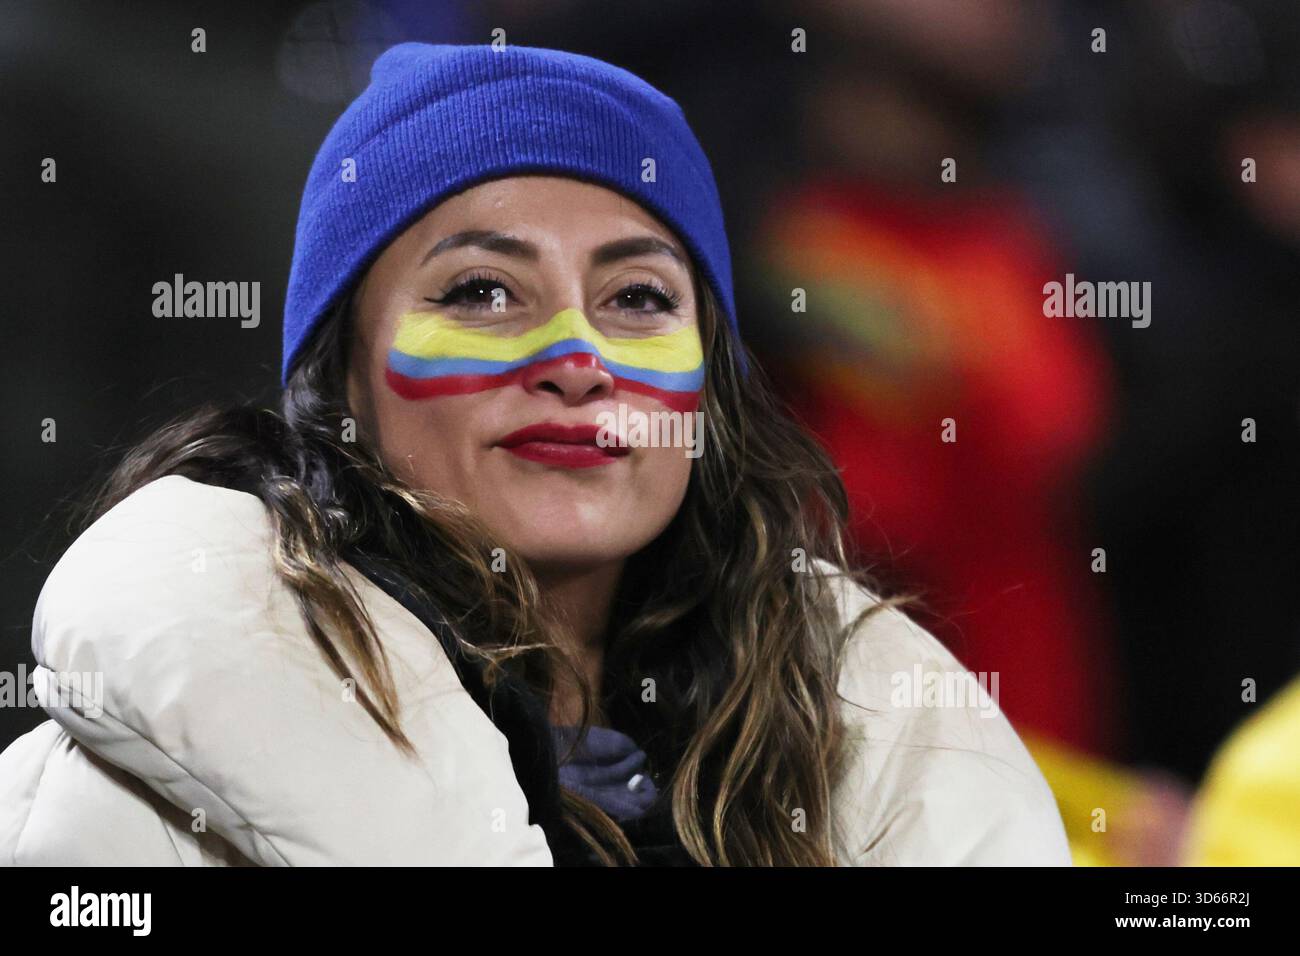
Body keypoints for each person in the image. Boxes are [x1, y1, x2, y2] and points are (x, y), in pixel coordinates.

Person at [0, 43, 1069, 866]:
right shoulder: (114, 811)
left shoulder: (864, 763)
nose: (577, 357)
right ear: (343, 380)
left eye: (638, 296)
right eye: (481, 290)